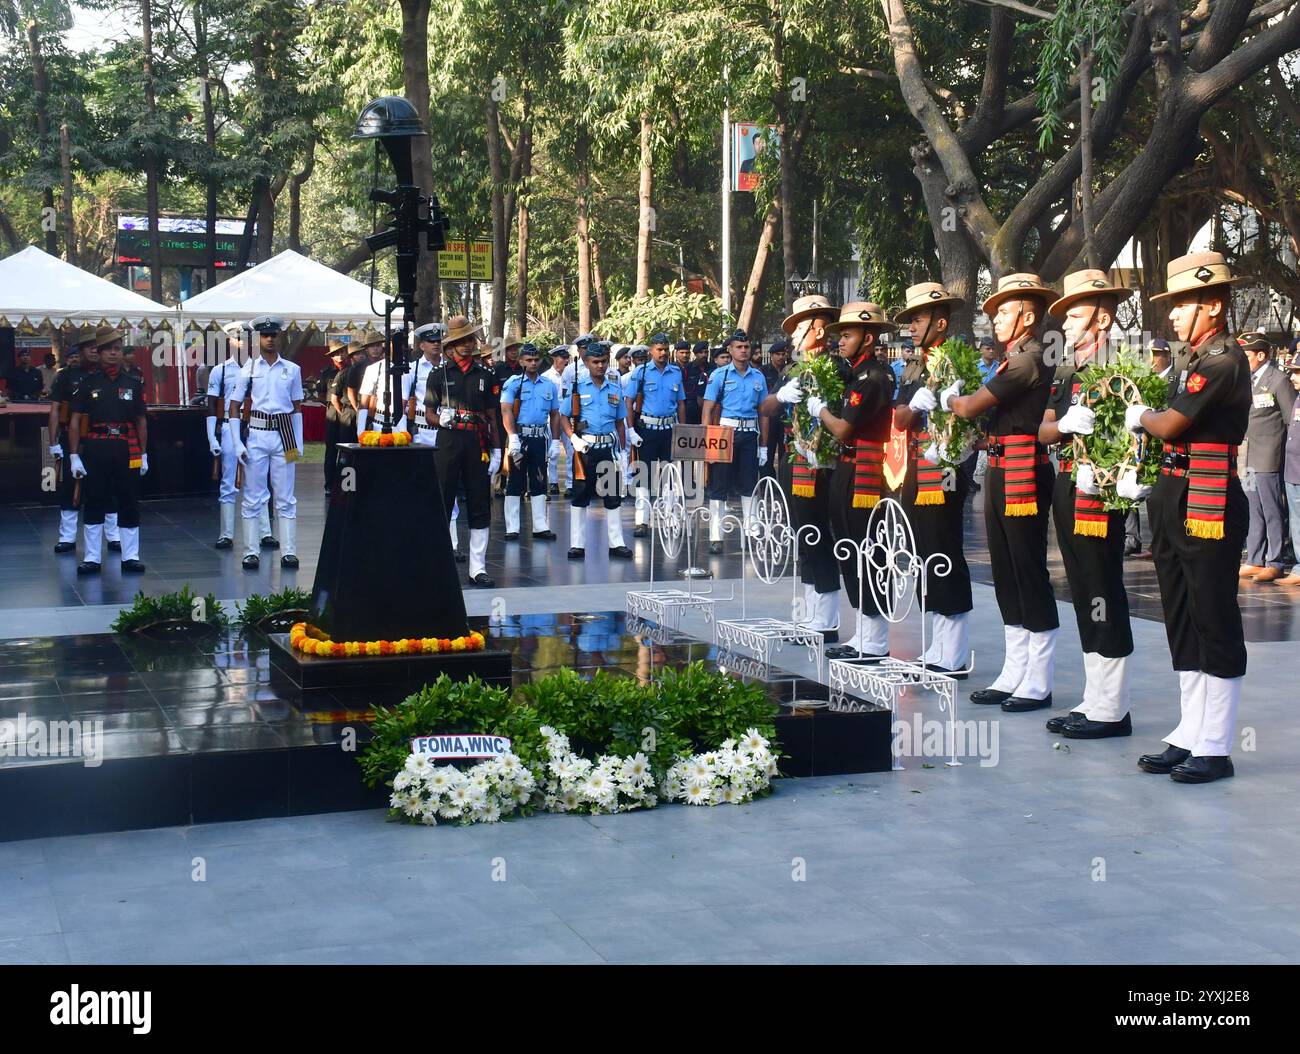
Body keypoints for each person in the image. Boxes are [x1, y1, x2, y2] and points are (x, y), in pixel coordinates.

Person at [1126, 251, 1251, 784]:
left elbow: (1172, 424)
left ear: (1213, 306)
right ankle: (1190, 730)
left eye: (1182, 304)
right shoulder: (1192, 359)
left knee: (1212, 615)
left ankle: (1217, 744)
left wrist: (1142, 418)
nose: (1173, 315)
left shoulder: (1223, 358)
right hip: (1177, 492)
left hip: (1209, 497)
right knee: (1180, 614)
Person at [946, 273, 1059, 713]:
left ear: (1028, 315)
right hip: (997, 463)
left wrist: (952, 401)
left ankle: (1039, 679)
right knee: (1006, 571)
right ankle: (1016, 669)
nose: (995, 320)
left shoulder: (1028, 358)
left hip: (1023, 467)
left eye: (1005, 311)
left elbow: (973, 406)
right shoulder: (1011, 357)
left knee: (1028, 569)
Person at [1036, 269, 1137, 739]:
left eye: (1075, 315)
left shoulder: (1122, 365)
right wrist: (1066, 426)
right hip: (1068, 485)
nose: (1068, 325)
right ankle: (1095, 697)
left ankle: (1112, 708)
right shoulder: (1067, 367)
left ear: (1101, 316)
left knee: (1102, 589)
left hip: (1101, 493)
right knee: (1081, 589)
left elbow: (1133, 435)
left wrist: (1109, 467)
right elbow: (1044, 430)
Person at [892, 282, 975, 675]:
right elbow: (900, 418)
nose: (911, 326)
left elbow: (971, 415)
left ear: (940, 322)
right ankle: (938, 643)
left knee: (945, 548)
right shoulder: (914, 365)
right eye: (910, 320)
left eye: (919, 319)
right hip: (917, 463)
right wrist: (917, 403)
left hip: (946, 467)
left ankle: (954, 649)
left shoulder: (957, 362)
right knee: (926, 551)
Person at [806, 303, 896, 660]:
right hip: (848, 466)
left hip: (866, 473)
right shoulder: (855, 374)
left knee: (867, 548)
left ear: (868, 338)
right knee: (849, 547)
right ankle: (863, 633)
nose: (840, 341)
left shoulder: (872, 377)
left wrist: (821, 411)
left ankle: (875, 638)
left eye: (847, 334)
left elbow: (844, 427)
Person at [762, 294, 846, 640]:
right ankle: (812, 614)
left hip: (824, 463)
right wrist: (781, 397)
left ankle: (826, 619)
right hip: (795, 460)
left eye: (800, 327)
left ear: (820, 329)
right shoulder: (793, 371)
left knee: (821, 538)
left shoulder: (839, 368)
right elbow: (765, 407)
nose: (794, 335)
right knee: (804, 536)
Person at [424, 315, 501, 587]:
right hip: (448, 441)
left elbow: (492, 416)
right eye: (460, 341)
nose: (466, 346)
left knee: (479, 502)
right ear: (450, 347)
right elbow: (429, 414)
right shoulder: (438, 375)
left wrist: (497, 449)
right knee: (442, 500)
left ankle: (477, 568)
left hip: (477, 443)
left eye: (469, 340)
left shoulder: (486, 374)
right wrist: (441, 419)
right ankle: (437, 564)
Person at [67, 327, 148, 575]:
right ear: (99, 353)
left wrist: (143, 454)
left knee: (128, 501)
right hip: (96, 446)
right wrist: (73, 456)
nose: (114, 354)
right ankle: (92, 558)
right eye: (108, 350)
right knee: (94, 500)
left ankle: (130, 556)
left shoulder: (133, 383)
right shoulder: (87, 384)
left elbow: (141, 421)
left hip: (127, 447)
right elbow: (74, 420)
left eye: (117, 349)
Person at [228, 316, 303, 570]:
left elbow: (296, 408)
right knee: (252, 496)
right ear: (258, 339)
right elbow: (234, 406)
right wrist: (237, 442)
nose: (270, 339)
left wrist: (299, 442)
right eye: (265, 335)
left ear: (280, 336)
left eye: (274, 334)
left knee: (285, 497)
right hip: (257, 435)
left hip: (285, 435)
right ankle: (251, 551)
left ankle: (289, 551)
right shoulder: (248, 369)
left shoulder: (292, 369)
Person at [562, 341, 633, 560]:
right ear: (586, 363)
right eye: (595, 362)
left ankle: (616, 543)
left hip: (609, 449)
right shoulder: (578, 387)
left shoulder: (614, 387)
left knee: (612, 497)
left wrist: (623, 452)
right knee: (581, 495)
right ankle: (577, 544)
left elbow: (620, 421)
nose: (600, 366)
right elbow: (564, 416)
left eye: (603, 361)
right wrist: (573, 438)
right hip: (585, 448)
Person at [703, 330, 769, 554]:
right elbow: (708, 408)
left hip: (750, 434)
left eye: (747, 347)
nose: (744, 350)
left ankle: (752, 531)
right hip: (724, 433)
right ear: (729, 350)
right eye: (739, 347)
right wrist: (707, 439)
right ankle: (715, 535)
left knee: (749, 484)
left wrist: (764, 445)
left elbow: (764, 413)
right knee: (719, 485)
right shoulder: (719, 375)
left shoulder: (758, 376)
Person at [1236, 331, 1295, 583]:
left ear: (1261, 355)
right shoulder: (1245, 380)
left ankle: (1275, 560)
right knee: (1253, 508)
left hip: (1268, 454)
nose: (1243, 360)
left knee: (1271, 509)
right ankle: (1255, 558)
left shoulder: (1278, 380)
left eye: (1246, 355)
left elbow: (1291, 418)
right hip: (1247, 454)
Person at [208, 321, 272, 549]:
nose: (243, 342)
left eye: (246, 338)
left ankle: (265, 533)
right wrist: (211, 437)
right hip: (228, 426)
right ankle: (226, 534)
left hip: (255, 427)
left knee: (259, 481)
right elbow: (212, 404)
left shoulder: (262, 367)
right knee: (228, 481)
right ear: (230, 341)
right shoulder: (221, 370)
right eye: (238, 338)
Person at [624, 332, 686, 538]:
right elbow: (628, 401)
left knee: (670, 475)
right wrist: (631, 429)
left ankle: (670, 516)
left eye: (666, 349)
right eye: (659, 349)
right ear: (651, 351)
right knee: (644, 476)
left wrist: (683, 430)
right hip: (647, 430)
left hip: (669, 430)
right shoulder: (641, 373)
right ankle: (642, 521)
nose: (663, 353)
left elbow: (681, 403)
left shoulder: (676, 372)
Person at [500, 343, 560, 541]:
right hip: (520, 436)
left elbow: (555, 414)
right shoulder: (514, 383)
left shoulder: (549, 384)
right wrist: (513, 436)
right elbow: (506, 410)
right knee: (515, 481)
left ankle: (540, 526)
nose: (533, 363)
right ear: (521, 361)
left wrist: (556, 441)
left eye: (536, 360)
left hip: (539, 437)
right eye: (529, 360)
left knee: (540, 481)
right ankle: (512, 527)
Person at [46, 331, 94, 554]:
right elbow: (55, 409)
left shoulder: (105, 375)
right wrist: (53, 441)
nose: (93, 350)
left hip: (99, 438)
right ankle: (67, 536)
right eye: (89, 346)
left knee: (104, 485)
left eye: (97, 346)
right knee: (68, 487)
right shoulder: (65, 376)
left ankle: (113, 536)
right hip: (70, 435)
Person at [1277, 347, 1300, 586]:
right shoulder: (1298, 398)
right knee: (1296, 521)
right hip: (1292, 469)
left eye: (1297, 372)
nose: (1292, 377)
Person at [404, 322, 446, 448]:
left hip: (446, 429)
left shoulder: (449, 367)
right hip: (420, 431)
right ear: (422, 345)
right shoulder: (412, 369)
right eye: (431, 341)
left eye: (438, 341)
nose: (436, 344)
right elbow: (404, 401)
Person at [543, 346, 571, 495]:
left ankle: (570, 483)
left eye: (567, 358)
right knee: (552, 452)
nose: (566, 361)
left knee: (571, 450)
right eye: (562, 357)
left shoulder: (571, 375)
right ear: (554, 358)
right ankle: (553, 482)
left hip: (566, 417)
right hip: (551, 417)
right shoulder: (546, 377)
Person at [321, 336, 349, 490]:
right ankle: (329, 485)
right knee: (331, 450)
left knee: (347, 450)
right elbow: (321, 394)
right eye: (336, 354)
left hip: (349, 413)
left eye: (342, 352)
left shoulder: (354, 370)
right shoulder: (326, 373)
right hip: (332, 414)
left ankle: (345, 484)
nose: (339, 356)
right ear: (331, 357)